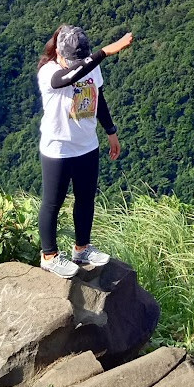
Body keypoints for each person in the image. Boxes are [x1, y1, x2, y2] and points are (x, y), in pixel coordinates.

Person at [35, 24, 134, 277]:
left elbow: (99, 99)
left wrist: (111, 131)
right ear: (59, 52)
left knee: (86, 198)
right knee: (53, 202)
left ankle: (82, 248)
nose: (75, 64)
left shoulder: (91, 66)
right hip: (58, 148)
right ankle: (49, 255)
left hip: (87, 145)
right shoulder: (49, 72)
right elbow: (68, 78)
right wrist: (105, 52)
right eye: (71, 60)